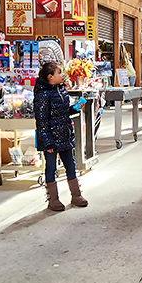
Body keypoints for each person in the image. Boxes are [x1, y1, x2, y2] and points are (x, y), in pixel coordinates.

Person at [34, 62, 88, 211]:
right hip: (50, 138)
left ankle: (76, 195)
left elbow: (64, 112)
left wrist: (75, 108)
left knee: (71, 165)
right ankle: (53, 199)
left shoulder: (62, 91)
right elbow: (41, 120)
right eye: (59, 72)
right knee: (51, 168)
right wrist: (48, 142)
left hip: (65, 135)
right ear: (50, 77)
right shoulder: (42, 95)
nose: (62, 74)